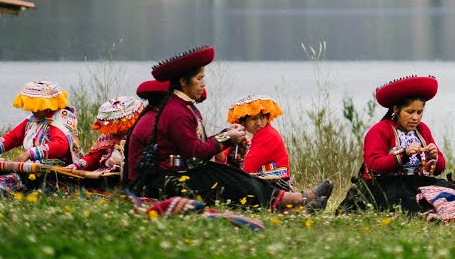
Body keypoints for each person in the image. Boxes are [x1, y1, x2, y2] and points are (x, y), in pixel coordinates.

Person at [125, 45, 332, 211]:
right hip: (173, 178)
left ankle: (298, 203)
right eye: (199, 79)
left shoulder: (183, 108)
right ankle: (299, 201)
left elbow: (196, 147)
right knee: (234, 182)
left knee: (238, 179)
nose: (203, 84)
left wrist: (226, 136)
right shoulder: (176, 112)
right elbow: (195, 153)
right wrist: (226, 139)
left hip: (182, 172)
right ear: (182, 81)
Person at [338, 74, 455, 214]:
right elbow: (373, 165)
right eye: (410, 112)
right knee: (404, 199)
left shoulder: (422, 130)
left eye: (419, 112)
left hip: (417, 183)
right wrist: (403, 155)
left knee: (450, 192)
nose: (415, 117)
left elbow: (439, 168)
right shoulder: (379, 131)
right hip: (386, 186)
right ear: (395, 109)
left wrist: (434, 156)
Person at [0, 80, 83, 194]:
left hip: (55, 171)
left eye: (39, 106)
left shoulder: (60, 120)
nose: (34, 110)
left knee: (7, 182)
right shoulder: (34, 118)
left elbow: (61, 145)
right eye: (33, 106)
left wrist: (29, 153)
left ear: (49, 104)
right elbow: (13, 137)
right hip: (32, 168)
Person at [73, 95, 147, 178]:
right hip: (103, 174)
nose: (116, 130)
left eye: (120, 126)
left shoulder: (138, 136)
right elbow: (93, 158)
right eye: (113, 125)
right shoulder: (107, 136)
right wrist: (77, 165)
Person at [226, 94, 292, 187]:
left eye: (262, 117)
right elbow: (225, 157)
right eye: (254, 119)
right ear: (243, 122)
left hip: (275, 185)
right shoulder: (243, 136)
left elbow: (249, 165)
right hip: (256, 182)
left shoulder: (269, 135)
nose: (259, 123)